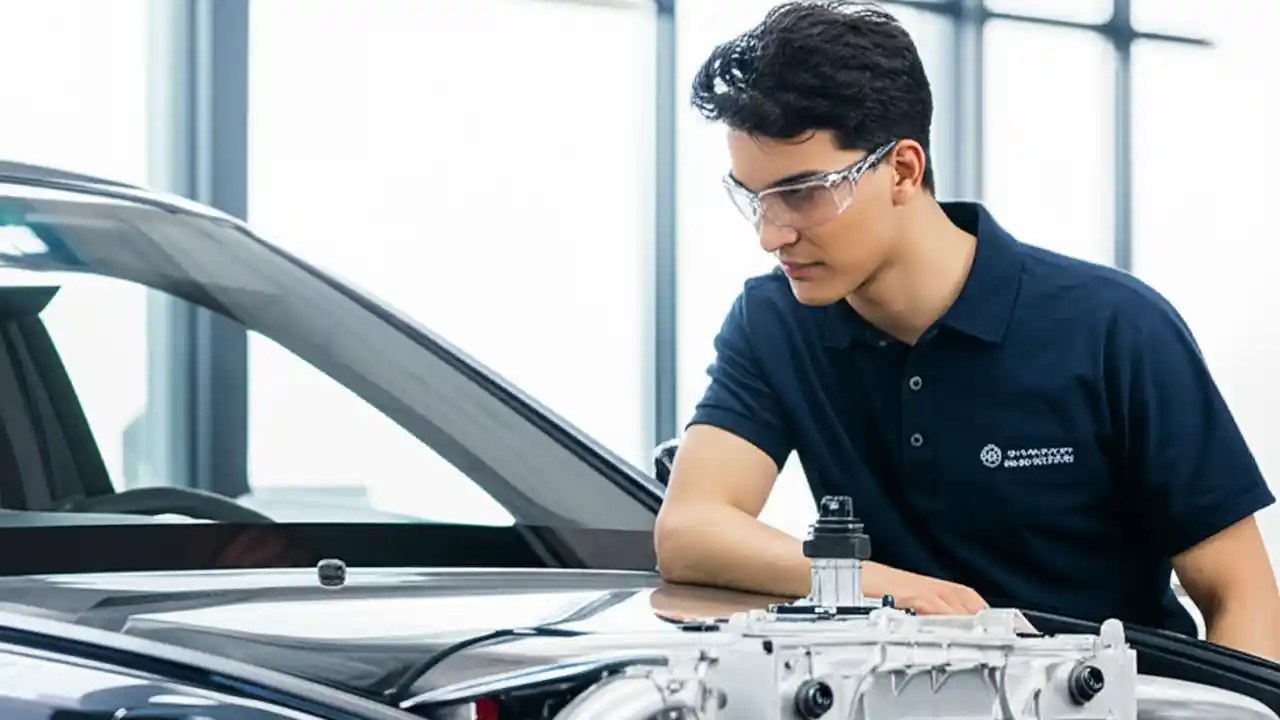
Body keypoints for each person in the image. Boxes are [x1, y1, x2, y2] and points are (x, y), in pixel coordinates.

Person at [653, 0, 1280, 660]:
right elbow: (691, 528)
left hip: (1125, 698)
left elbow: (1242, 596)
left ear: (903, 169)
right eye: (753, 198)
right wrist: (892, 590)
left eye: (803, 193)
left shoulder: (1117, 329)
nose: (770, 234)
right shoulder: (773, 321)